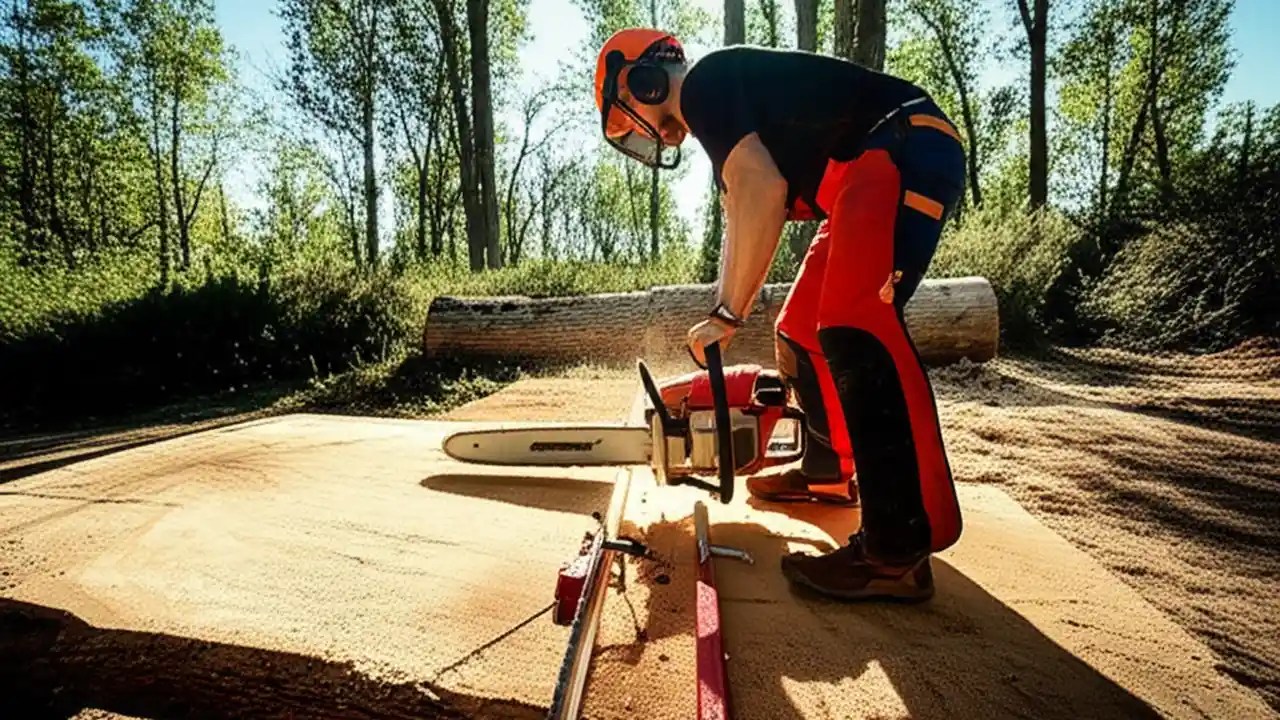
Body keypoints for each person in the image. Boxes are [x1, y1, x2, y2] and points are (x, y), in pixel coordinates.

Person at [594, 28, 966, 602]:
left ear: (639, 78)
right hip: (860, 174)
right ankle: (827, 471)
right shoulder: (725, 116)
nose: (652, 135)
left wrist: (728, 314)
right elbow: (742, 211)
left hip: (898, 145)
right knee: (799, 331)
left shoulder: (705, 85)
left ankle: (897, 547)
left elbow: (762, 191)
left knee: (854, 323)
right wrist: (722, 308)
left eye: (631, 116)